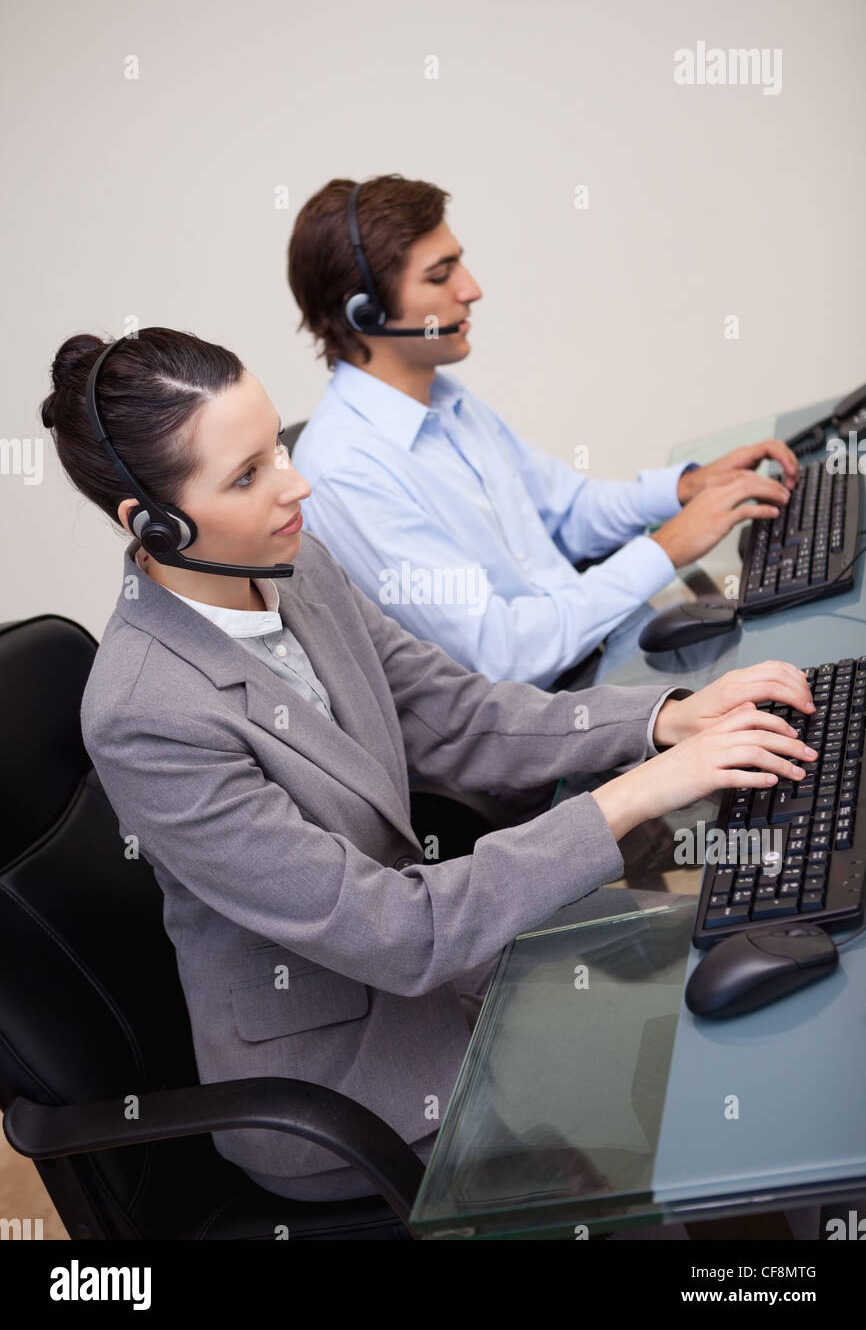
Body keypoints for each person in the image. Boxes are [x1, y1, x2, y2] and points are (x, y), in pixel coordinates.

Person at [40, 326, 817, 1204]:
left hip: (457, 967)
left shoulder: (291, 561)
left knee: (743, 1001)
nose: (298, 484)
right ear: (151, 524)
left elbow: (455, 713)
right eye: (247, 475)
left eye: (274, 451)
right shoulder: (147, 711)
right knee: (700, 1103)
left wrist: (663, 719)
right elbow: (391, 930)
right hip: (344, 1087)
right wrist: (635, 796)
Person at [287, 174, 801, 689]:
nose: (472, 289)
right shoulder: (346, 469)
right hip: (550, 717)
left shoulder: (444, 398)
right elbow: (503, 654)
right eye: (441, 275)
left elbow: (567, 511)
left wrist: (684, 489)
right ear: (366, 313)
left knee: (800, 651)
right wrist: (666, 549)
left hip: (605, 648)